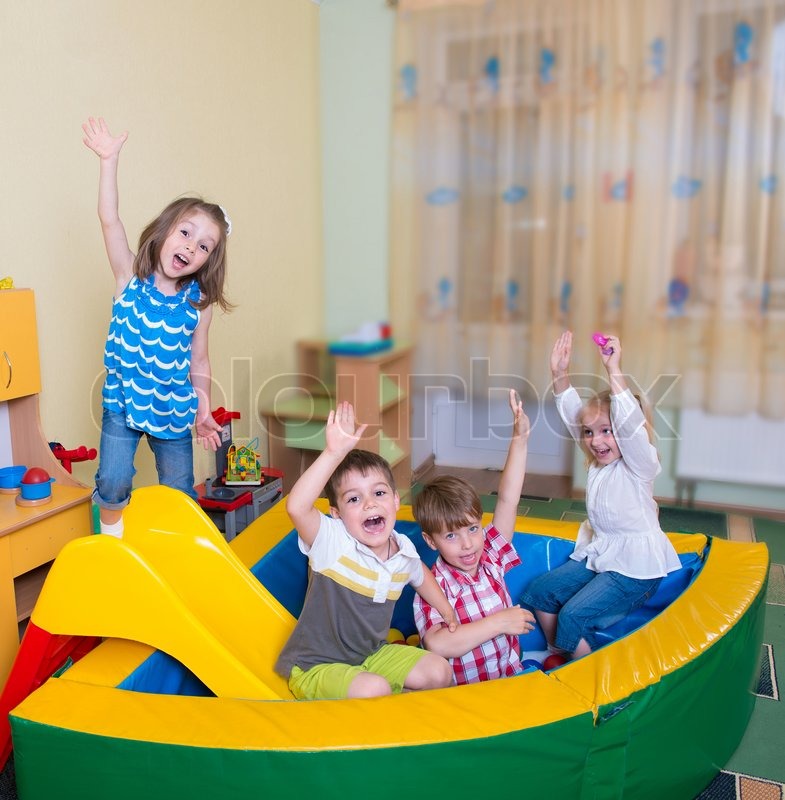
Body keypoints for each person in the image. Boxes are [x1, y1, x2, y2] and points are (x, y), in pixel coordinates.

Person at [82, 116, 231, 537]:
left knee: (180, 492)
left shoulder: (198, 304)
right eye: (185, 233)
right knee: (112, 480)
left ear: (208, 260)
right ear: (165, 231)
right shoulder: (128, 275)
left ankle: (178, 551)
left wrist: (203, 406)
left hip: (172, 407)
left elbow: (199, 359)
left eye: (204, 246)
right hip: (123, 402)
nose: (190, 246)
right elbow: (109, 219)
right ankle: (114, 547)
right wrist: (108, 161)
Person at [275, 401, 458, 700]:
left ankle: (388, 710)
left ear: (396, 501)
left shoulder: (403, 549)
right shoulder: (332, 542)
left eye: (379, 493)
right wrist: (334, 453)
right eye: (354, 499)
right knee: (374, 688)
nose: (370, 503)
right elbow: (296, 507)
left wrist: (446, 610)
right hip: (317, 666)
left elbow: (420, 575)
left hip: (370, 656)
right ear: (336, 513)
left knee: (439, 671)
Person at [520, 331, 682, 659]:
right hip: (604, 553)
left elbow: (631, 427)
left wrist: (614, 371)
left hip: (636, 569)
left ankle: (579, 671)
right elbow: (573, 415)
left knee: (573, 615)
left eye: (608, 431)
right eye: (591, 433)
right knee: (539, 593)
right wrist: (559, 375)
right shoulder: (598, 463)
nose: (596, 440)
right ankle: (563, 651)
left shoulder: (639, 463)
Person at [413, 389, 536, 684]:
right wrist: (500, 622)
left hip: (506, 678)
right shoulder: (433, 585)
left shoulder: (490, 554)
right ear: (431, 541)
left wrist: (519, 441)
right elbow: (438, 643)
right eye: (451, 536)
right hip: (465, 699)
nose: (468, 544)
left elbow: (507, 500)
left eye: (472, 529)